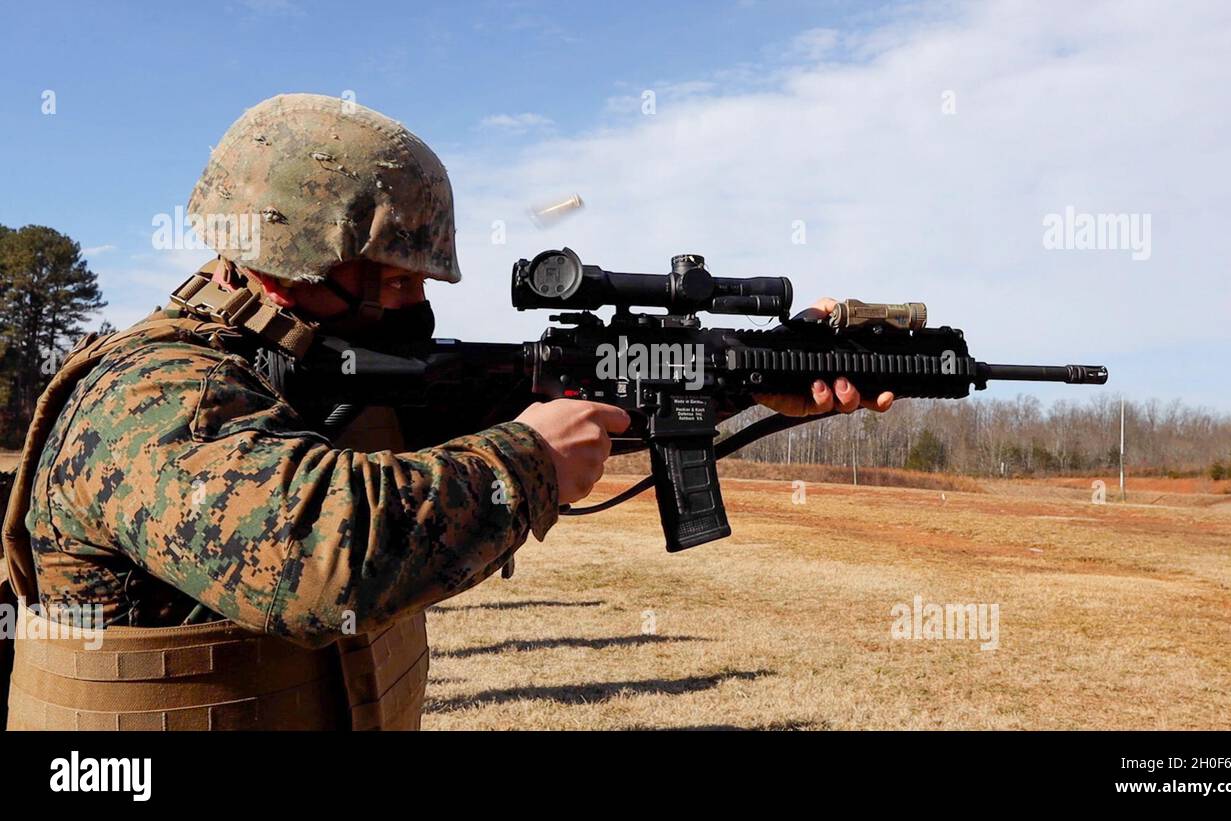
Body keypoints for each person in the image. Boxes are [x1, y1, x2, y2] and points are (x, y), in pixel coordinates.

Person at [0, 93, 891, 731]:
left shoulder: (306, 370)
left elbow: (522, 385)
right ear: (300, 252)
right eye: (392, 274)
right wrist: (528, 462)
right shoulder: (151, 394)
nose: (413, 295)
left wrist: (749, 372)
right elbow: (322, 556)